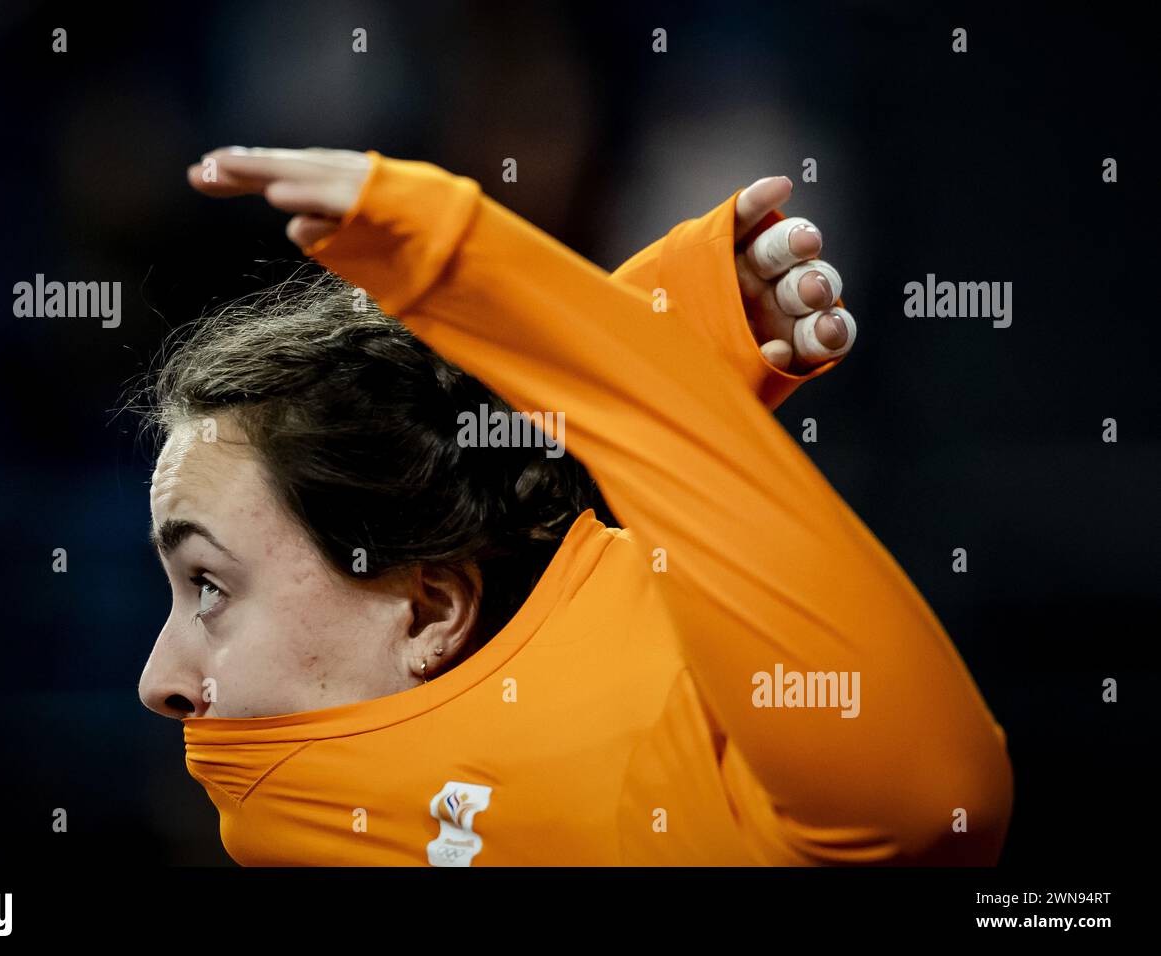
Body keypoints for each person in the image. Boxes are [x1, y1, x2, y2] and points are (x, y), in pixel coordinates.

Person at [136, 146, 1013, 865]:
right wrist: (629, 351)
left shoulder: (664, 797)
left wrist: (597, 342)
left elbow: (925, 805)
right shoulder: (295, 816)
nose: (156, 683)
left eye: (208, 585)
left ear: (431, 612)